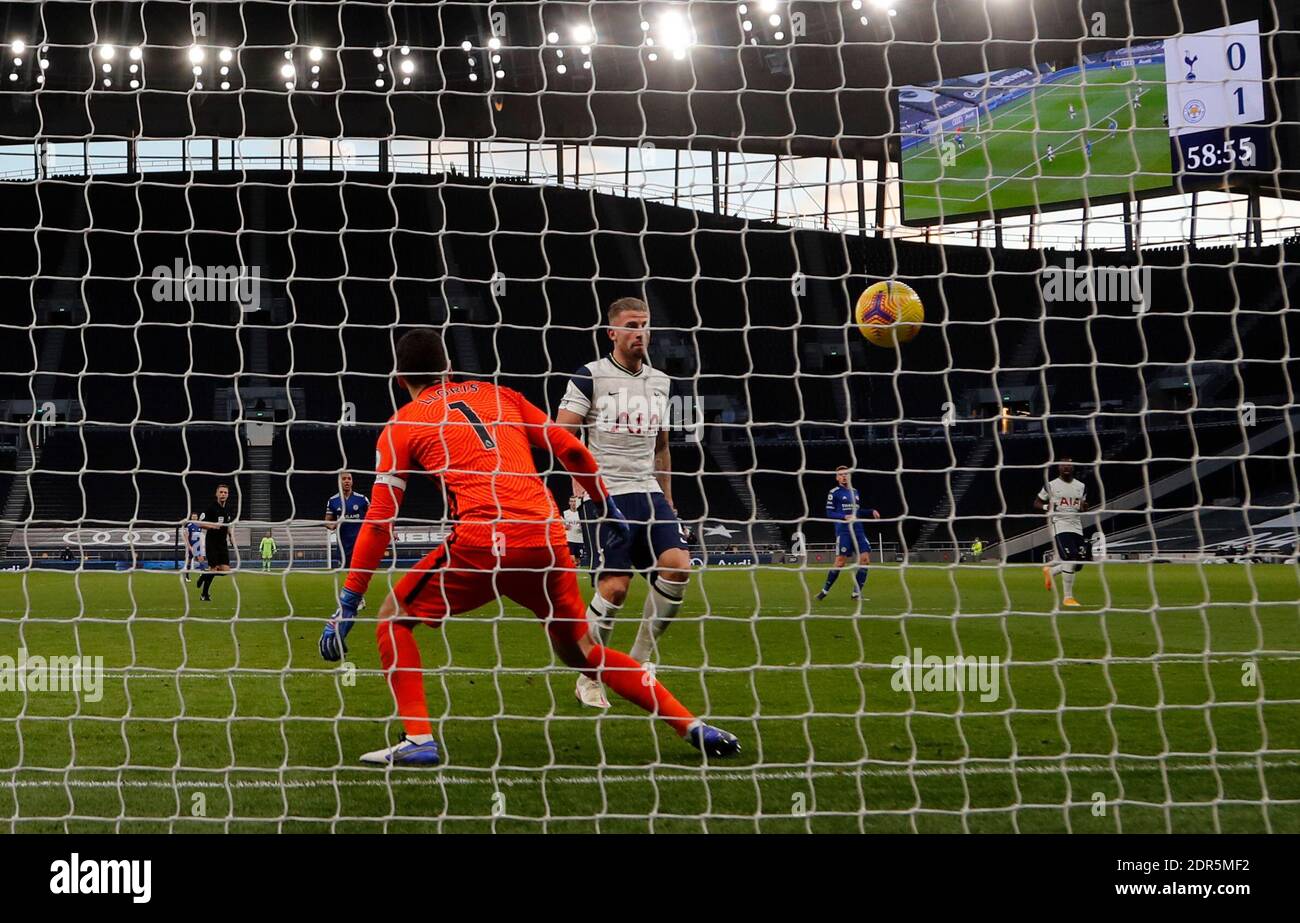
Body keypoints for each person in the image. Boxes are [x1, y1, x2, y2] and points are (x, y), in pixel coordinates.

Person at [317, 328, 739, 766]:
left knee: (392, 620)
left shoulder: (402, 423)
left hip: (484, 543)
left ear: (399, 378)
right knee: (586, 654)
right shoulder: (502, 395)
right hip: (545, 539)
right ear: (447, 367)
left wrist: (349, 601)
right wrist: (604, 504)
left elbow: (379, 521)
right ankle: (691, 725)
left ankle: (419, 738)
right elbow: (571, 449)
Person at [555, 297, 693, 709]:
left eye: (645, 325)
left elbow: (663, 446)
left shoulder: (661, 381)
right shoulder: (589, 377)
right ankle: (588, 677)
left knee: (678, 568)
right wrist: (580, 484)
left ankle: (637, 662)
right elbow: (563, 437)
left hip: (647, 490)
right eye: (632, 326)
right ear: (612, 332)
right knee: (615, 589)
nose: (640, 333)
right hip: (607, 493)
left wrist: (667, 496)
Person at [816, 466, 881, 601]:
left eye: (846, 474)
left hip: (858, 529)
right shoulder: (834, 492)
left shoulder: (855, 492)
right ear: (837, 477)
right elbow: (829, 513)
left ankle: (856, 594)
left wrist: (870, 511)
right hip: (844, 530)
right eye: (841, 474)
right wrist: (843, 517)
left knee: (865, 560)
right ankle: (824, 591)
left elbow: (857, 512)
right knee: (840, 562)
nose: (844, 476)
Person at [1035, 458, 1089, 608]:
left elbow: (1082, 506)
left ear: (1073, 468)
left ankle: (1051, 571)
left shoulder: (1081, 486)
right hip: (1060, 525)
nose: (1066, 467)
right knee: (1070, 558)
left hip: (1077, 526)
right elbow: (1037, 502)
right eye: (1063, 465)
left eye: (1069, 465)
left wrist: (1084, 507)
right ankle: (1068, 598)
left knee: (1078, 563)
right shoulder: (1051, 485)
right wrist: (1047, 507)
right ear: (1058, 468)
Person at [192, 484, 235, 602]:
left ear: (228, 494)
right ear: (216, 494)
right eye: (221, 492)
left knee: (225, 570)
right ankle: (204, 595)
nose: (223, 494)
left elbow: (228, 524)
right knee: (214, 568)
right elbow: (198, 523)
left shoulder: (229, 508)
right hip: (212, 542)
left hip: (222, 543)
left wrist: (231, 536)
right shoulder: (211, 508)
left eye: (225, 492)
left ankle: (204, 575)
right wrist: (212, 526)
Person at [325, 471, 370, 571]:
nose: (347, 481)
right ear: (339, 481)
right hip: (343, 545)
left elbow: (373, 517)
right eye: (344, 479)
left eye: (349, 479)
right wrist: (334, 525)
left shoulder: (362, 499)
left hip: (360, 543)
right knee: (345, 574)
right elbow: (327, 521)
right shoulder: (332, 501)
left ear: (352, 481)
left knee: (359, 572)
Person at [563, 495, 585, 568]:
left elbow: (585, 526)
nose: (573, 503)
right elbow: (560, 524)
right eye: (571, 501)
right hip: (569, 539)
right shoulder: (565, 513)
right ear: (569, 503)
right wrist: (564, 527)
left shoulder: (581, 513)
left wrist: (583, 527)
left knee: (578, 561)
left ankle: (576, 576)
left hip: (579, 539)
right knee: (572, 560)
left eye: (574, 501)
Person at [183, 514, 206, 582]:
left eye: (195, 516)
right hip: (190, 546)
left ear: (197, 517)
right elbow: (186, 537)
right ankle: (187, 575)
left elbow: (199, 536)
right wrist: (189, 546)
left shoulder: (199, 526)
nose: (194, 518)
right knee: (189, 561)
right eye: (193, 516)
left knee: (201, 559)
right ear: (191, 518)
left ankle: (202, 574)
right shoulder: (188, 525)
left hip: (197, 545)